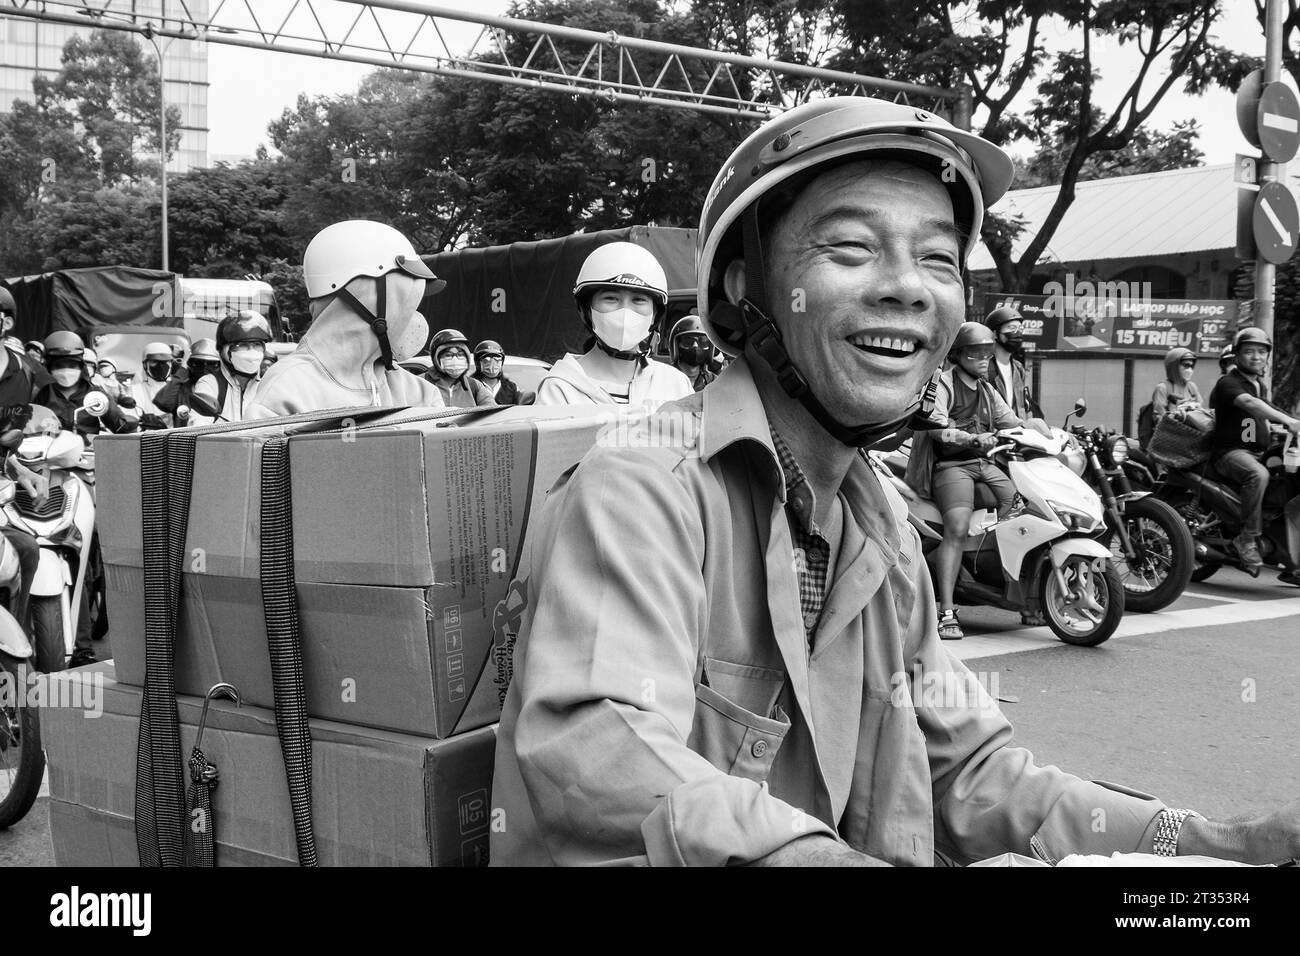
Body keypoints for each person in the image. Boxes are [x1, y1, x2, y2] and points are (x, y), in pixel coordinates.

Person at [489, 96, 1300, 868]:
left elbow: (975, 777)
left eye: (938, 258)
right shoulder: (642, 489)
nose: (908, 285)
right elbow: (598, 748)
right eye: (850, 248)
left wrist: (1210, 843)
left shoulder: (882, 540)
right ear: (746, 287)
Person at [246, 220, 448, 419]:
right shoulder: (288, 388)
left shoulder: (420, 394)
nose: (408, 317)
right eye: (403, 302)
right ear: (366, 298)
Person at [904, 322, 1022, 641]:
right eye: (977, 352)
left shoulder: (986, 388)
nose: (985, 358)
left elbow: (1012, 422)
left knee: (1023, 506)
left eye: (988, 351)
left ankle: (999, 583)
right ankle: (947, 611)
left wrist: (1046, 432)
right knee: (955, 529)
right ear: (959, 355)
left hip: (985, 463)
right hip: (952, 466)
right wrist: (970, 439)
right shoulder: (944, 383)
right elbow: (935, 426)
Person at [535, 242, 692, 409]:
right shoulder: (559, 390)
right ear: (587, 309)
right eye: (611, 298)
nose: (625, 312)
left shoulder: (675, 385)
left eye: (639, 300)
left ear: (655, 315)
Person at [1208, 326, 1300, 581]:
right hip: (1231, 453)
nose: (1256, 357)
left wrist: (1290, 424)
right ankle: (1247, 538)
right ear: (1238, 355)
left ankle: (1289, 554)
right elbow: (1250, 404)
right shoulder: (1228, 383)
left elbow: (1269, 409)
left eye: (1261, 352)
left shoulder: (1258, 385)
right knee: (1258, 475)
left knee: (1289, 478)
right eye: (1249, 351)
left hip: (1257, 451)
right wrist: (1288, 420)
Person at [0, 291, 46, 649]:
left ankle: (13, 636)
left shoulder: (27, 372)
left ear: (7, 322)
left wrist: (20, 469)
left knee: (27, 550)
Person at [33, 332, 133, 438]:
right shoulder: (39, 393)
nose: (66, 370)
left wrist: (128, 424)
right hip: (48, 452)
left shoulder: (95, 394)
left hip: (87, 452)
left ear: (81, 365)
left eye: (72, 365)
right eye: (58, 365)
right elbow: (24, 425)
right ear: (48, 367)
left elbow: (119, 425)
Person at [423, 329, 496, 407]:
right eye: (448, 355)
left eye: (460, 355)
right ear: (436, 358)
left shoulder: (474, 386)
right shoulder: (421, 383)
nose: (455, 360)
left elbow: (493, 412)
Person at [983, 305, 1032, 418]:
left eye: (1020, 329)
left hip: (1018, 432)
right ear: (995, 333)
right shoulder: (984, 368)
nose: (1018, 333)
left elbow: (1026, 405)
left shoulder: (1018, 368)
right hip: (993, 432)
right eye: (1011, 328)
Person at [1149, 346, 1204, 428]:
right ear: (1174, 366)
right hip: (1171, 435)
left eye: (1191, 366)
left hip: (1192, 434)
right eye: (1186, 365)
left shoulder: (1192, 387)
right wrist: (1175, 415)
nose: (1189, 369)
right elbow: (1159, 419)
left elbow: (1201, 414)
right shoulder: (1162, 388)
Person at [668, 312, 717, 392]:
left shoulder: (714, 382)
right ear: (676, 346)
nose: (695, 346)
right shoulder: (664, 378)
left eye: (703, 341)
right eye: (688, 341)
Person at [471, 340, 521, 405]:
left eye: (497, 360)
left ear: (502, 362)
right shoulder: (469, 386)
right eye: (486, 360)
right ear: (478, 363)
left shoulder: (511, 388)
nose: (492, 364)